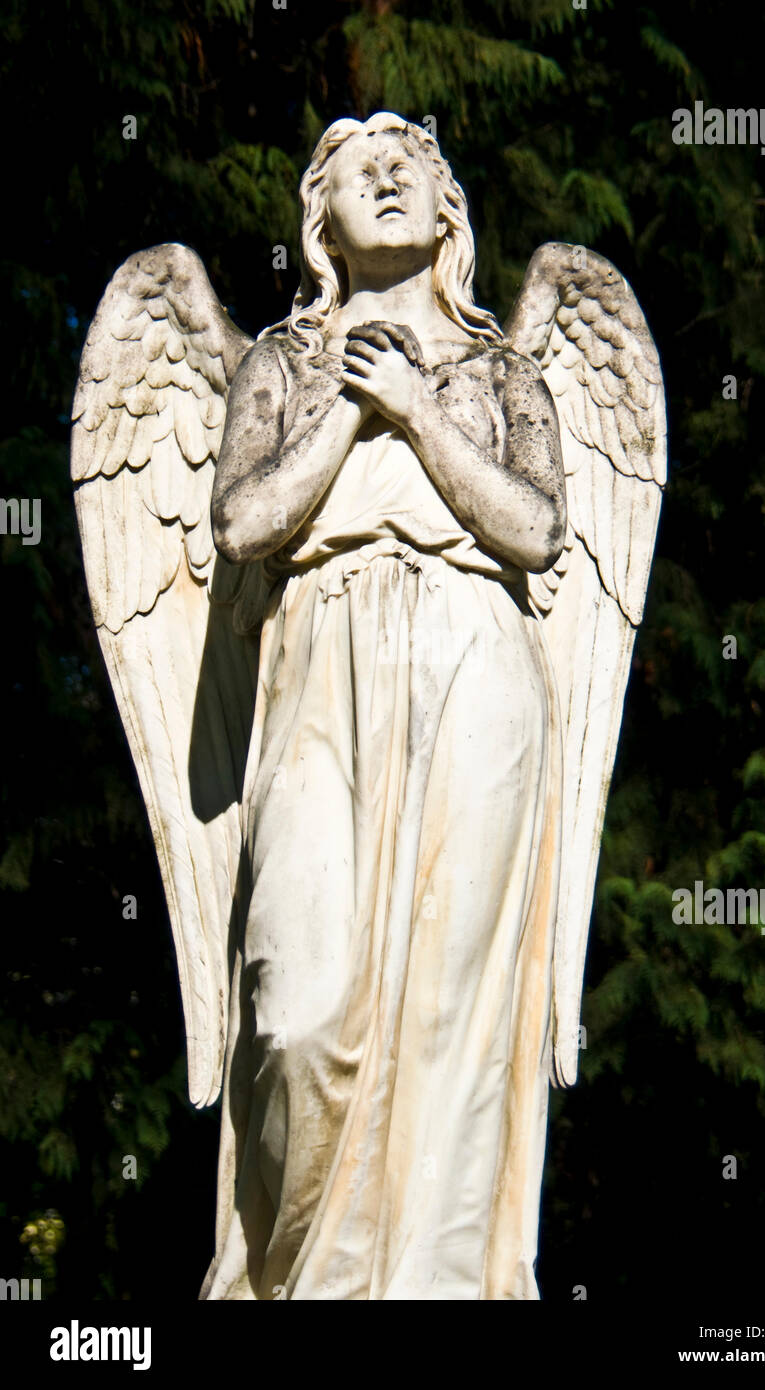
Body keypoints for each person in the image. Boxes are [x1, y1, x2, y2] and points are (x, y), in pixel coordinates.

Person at [202, 111, 567, 1300]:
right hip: (316, 662)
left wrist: (417, 410)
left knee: (451, 1027)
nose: (392, 181)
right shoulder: (283, 363)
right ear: (324, 222)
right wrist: (354, 407)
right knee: (296, 1018)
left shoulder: (500, 371)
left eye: (412, 168)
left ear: (449, 210)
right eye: (362, 173)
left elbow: (538, 528)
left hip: (474, 664)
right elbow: (245, 525)